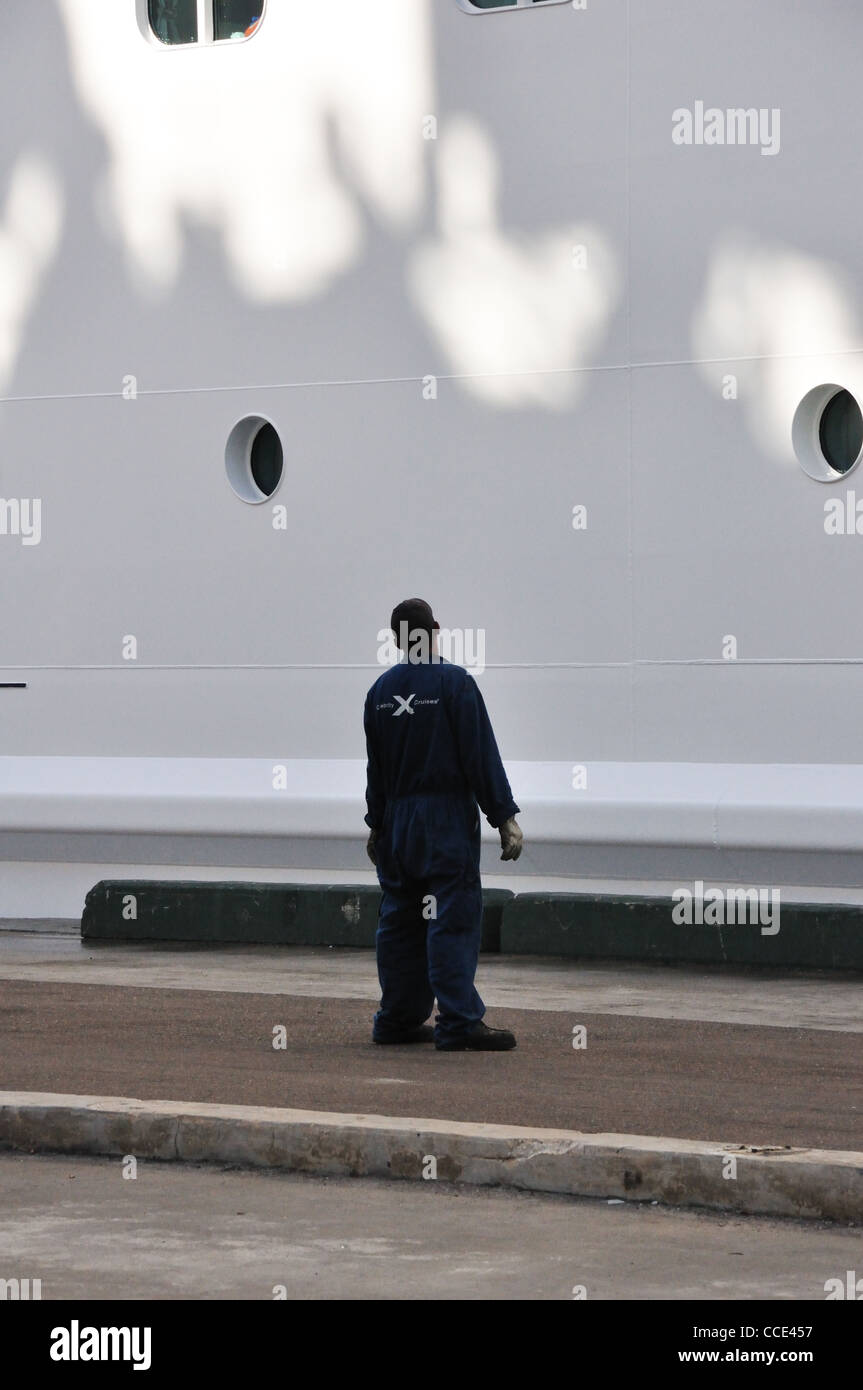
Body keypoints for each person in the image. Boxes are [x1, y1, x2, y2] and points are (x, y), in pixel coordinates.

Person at [363, 598, 523, 1051]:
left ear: (396, 638)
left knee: (401, 919)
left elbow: (376, 770)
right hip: (444, 822)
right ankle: (458, 1022)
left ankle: (396, 1019)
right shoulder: (454, 684)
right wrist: (504, 815)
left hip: (398, 823)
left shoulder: (379, 693)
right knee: (450, 914)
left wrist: (377, 824)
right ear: (435, 629)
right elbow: (480, 756)